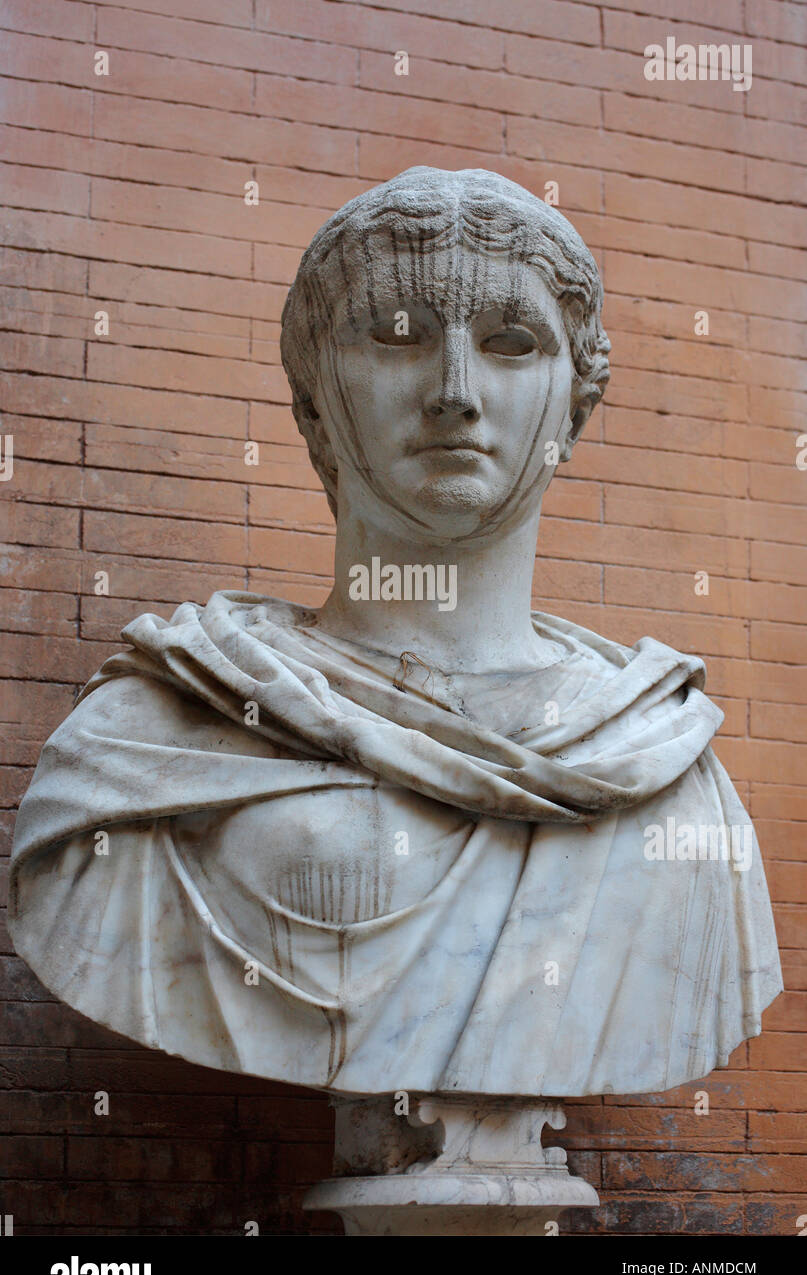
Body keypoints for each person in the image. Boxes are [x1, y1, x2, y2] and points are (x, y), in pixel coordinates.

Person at [10, 168, 782, 1096]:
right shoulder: (150, 739)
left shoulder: (666, 768)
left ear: (574, 410)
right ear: (312, 408)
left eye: (510, 342)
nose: (455, 390)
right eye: (397, 336)